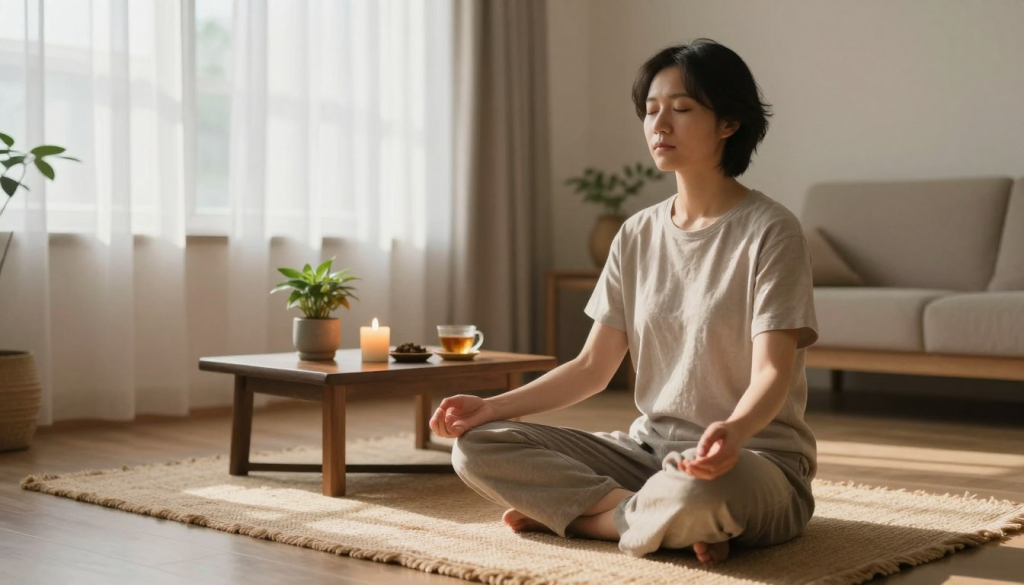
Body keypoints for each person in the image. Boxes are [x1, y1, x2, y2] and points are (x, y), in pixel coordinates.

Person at [429, 39, 818, 564]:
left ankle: (594, 517)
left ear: (729, 123)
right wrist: (490, 407)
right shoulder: (635, 234)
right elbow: (592, 368)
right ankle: (650, 520)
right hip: (647, 456)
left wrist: (734, 430)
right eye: (651, 111)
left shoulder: (772, 231)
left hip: (753, 459)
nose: (660, 125)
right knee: (478, 446)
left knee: (698, 490)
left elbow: (772, 373)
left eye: (681, 110)